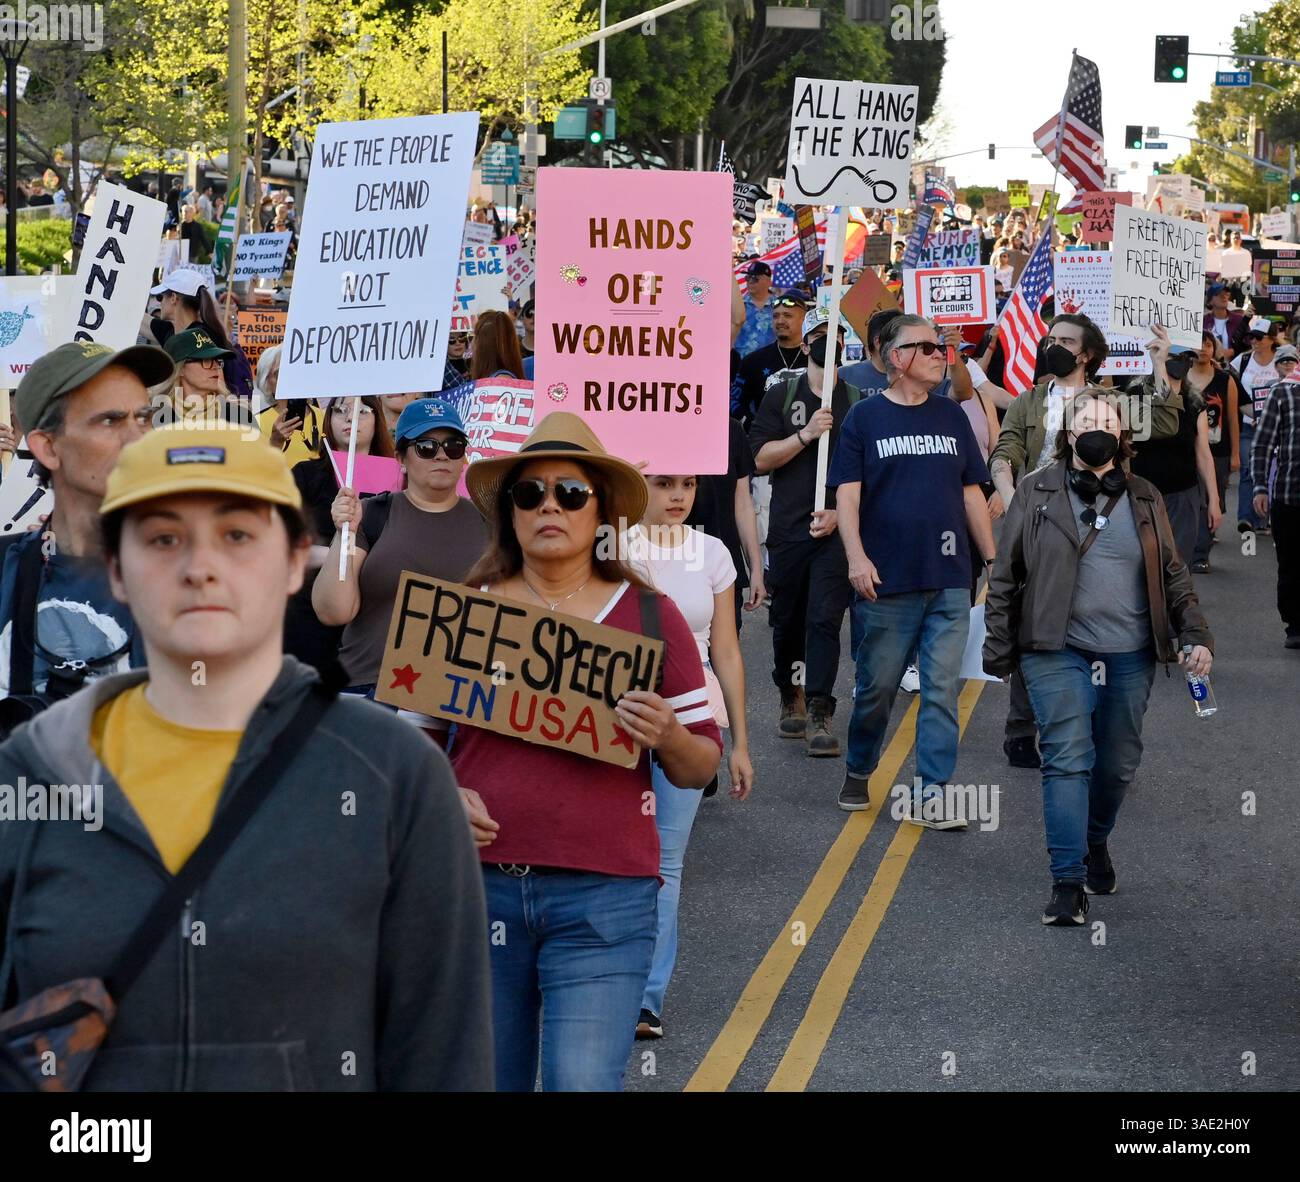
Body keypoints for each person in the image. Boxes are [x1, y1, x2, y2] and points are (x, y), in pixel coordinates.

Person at [0, 423, 493, 1090]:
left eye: (237, 535)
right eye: (163, 538)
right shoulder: (31, 772)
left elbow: (444, 1057)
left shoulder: (394, 774)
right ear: (116, 569)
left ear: (294, 562)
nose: (200, 566)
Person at [451, 412, 722, 1091]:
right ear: (507, 512)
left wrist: (667, 735)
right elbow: (408, 743)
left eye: (570, 493)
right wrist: (438, 794)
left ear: (600, 508)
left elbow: (701, 764)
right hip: (478, 894)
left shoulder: (652, 617)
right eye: (529, 493)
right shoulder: (463, 611)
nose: (549, 505)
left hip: (605, 902)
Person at [983, 391, 1213, 926]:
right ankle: (1067, 882)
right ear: (1067, 434)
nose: (1097, 428)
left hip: (1130, 652)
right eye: (1086, 420)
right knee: (1067, 757)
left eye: (1107, 422)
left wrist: (1195, 633)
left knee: (1117, 764)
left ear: (1122, 437)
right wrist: (998, 647)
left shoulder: (1145, 496)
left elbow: (1173, 575)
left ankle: (1094, 842)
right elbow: (1005, 576)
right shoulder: (1034, 491)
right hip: (1054, 648)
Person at [831, 314, 994, 822]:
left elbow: (971, 491)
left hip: (949, 578)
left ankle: (931, 794)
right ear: (893, 357)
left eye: (939, 346)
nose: (937, 353)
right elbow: (847, 497)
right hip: (886, 580)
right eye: (923, 347)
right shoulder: (864, 419)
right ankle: (860, 766)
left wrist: (993, 560)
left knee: (942, 690)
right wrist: (856, 556)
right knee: (877, 687)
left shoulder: (950, 416)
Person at [624, 474, 753, 1041]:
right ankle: (608, 981)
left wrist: (742, 743)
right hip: (615, 717)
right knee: (620, 854)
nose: (678, 495)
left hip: (692, 720)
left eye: (688, 485)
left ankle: (647, 1000)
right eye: (661, 483)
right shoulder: (613, 542)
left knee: (666, 862)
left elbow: (725, 647)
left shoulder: (714, 552)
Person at [0, 343, 173, 714]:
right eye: (110, 421)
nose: (137, 439)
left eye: (143, 418)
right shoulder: (7, 568)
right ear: (47, 448)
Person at [312, 399, 485, 698]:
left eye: (454, 446)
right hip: (368, 688)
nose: (442, 455)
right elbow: (334, 611)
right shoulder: (370, 513)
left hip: (452, 698)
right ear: (401, 458)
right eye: (427, 447)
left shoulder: (489, 525)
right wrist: (345, 533)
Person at [750, 309, 860, 756]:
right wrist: (805, 435)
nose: (823, 342)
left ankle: (820, 705)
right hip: (789, 527)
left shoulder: (856, 401)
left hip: (835, 530)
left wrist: (838, 512)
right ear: (806, 342)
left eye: (832, 336)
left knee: (825, 619)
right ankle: (789, 693)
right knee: (789, 618)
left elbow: (868, 471)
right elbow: (758, 458)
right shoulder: (781, 395)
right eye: (817, 335)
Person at [286, 396, 393, 672]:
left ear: (377, 421)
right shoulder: (305, 474)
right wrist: (342, 552)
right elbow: (285, 547)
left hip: (374, 619)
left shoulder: (397, 480)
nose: (350, 418)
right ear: (327, 420)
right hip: (310, 615)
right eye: (340, 410)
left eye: (362, 411)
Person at [1128, 333, 1222, 569]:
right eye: (1171, 356)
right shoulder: (1136, 396)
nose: (1178, 362)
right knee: (1143, 562)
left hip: (1183, 495)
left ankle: (1177, 606)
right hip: (1142, 493)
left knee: (1178, 564)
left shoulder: (1194, 402)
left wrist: (1214, 500)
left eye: (1184, 357)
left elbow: (1203, 454)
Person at [684, 417, 764, 632]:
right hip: (665, 567)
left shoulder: (731, 429)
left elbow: (743, 503)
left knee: (723, 656)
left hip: (722, 570)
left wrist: (755, 568)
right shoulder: (651, 426)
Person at [1251, 350, 1300, 648]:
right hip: (1289, 494)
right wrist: (1259, 487)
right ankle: (1295, 624)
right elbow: (1263, 444)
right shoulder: (1282, 392)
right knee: (1291, 565)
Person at [147, 270, 254, 401]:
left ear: (174, 298)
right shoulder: (173, 333)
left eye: (160, 297)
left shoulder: (205, 337)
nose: (214, 367)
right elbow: (136, 320)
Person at [1188, 332, 1241, 573]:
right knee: (1190, 500)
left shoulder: (1225, 379)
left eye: (1208, 344)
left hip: (1218, 450)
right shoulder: (1180, 376)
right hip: (1187, 449)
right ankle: (1185, 549)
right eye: (1198, 344)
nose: (1203, 348)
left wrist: (1235, 454)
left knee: (1212, 499)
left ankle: (1201, 553)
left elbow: (1232, 418)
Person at [1229, 318, 1281, 532]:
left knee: (1271, 472)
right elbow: (1232, 389)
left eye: (1259, 337)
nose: (1254, 341)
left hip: (1277, 428)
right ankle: (1245, 518)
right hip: (1249, 425)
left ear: (1271, 339)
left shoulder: (1284, 360)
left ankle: (1264, 518)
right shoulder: (1242, 360)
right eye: (1251, 337)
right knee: (1248, 471)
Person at [732, 289, 808, 427]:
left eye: (787, 315)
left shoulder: (819, 357)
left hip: (811, 439)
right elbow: (734, 400)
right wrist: (750, 424)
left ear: (804, 320)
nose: (780, 321)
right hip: (765, 442)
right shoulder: (752, 361)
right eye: (775, 316)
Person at [163, 327, 254, 429]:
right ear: (180, 369)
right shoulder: (158, 418)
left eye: (217, 360)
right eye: (206, 360)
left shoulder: (238, 417)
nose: (215, 366)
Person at [254, 345, 325, 465]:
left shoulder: (324, 417)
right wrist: (275, 442)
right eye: (280, 373)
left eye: (293, 371)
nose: (289, 378)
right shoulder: (257, 423)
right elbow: (257, 471)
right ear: (266, 382)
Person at [735, 261, 776, 358]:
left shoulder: (779, 306)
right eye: (748, 278)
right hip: (742, 363)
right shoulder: (738, 305)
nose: (750, 282)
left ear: (768, 281)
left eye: (754, 279)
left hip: (770, 364)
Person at [470, 309, 525, 381]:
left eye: (475, 336)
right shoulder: (496, 377)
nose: (472, 342)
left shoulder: (502, 380)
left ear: (485, 344)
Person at [1204, 283, 1246, 360]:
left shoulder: (1239, 320)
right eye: (1218, 294)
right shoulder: (1203, 321)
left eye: (1226, 294)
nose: (1224, 297)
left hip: (1232, 368)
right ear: (1210, 301)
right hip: (1209, 367)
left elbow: (1249, 344)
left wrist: (1233, 351)